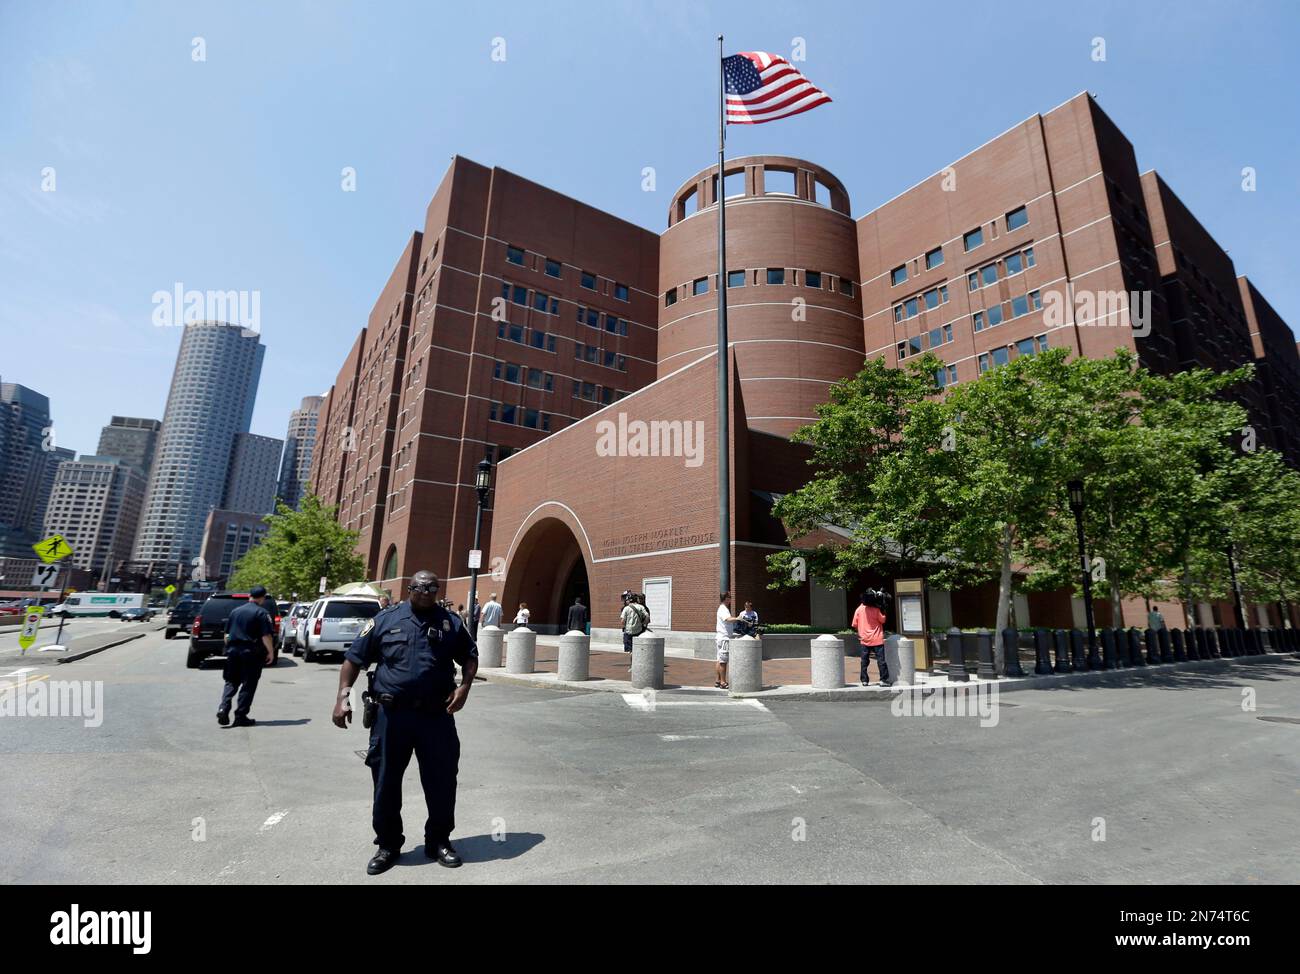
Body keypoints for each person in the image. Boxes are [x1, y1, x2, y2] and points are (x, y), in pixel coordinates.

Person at [332, 570, 477, 875]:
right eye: (420, 589)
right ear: (409, 589)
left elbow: (469, 655)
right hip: (391, 716)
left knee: (441, 780)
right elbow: (354, 659)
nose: (426, 593)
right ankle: (388, 845)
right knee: (385, 781)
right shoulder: (385, 619)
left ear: (438, 591)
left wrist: (464, 687)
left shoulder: (451, 622)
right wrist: (343, 697)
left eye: (432, 589)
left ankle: (438, 841)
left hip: (436, 717)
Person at [217, 585, 275, 727]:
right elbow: (266, 636)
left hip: (233, 651)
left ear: (250, 596)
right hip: (251, 653)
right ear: (262, 598)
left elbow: (227, 634)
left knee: (231, 681)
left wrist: (230, 647)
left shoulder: (235, 611)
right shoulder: (262, 613)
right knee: (248, 684)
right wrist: (271, 652)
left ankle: (223, 707)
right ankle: (241, 716)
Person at [852, 591, 889, 687]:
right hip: (877, 638)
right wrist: (883, 608)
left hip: (864, 639)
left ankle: (864, 680)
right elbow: (883, 620)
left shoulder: (859, 609)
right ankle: (883, 680)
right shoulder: (876, 609)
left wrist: (860, 631)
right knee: (881, 661)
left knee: (864, 661)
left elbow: (854, 624)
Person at [715, 593, 741, 689]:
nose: (731, 600)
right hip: (724, 638)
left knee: (719, 659)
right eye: (730, 598)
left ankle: (717, 680)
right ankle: (723, 682)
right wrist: (738, 619)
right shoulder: (723, 609)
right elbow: (728, 619)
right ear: (726, 598)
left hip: (721, 637)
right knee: (723, 661)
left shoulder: (722, 608)